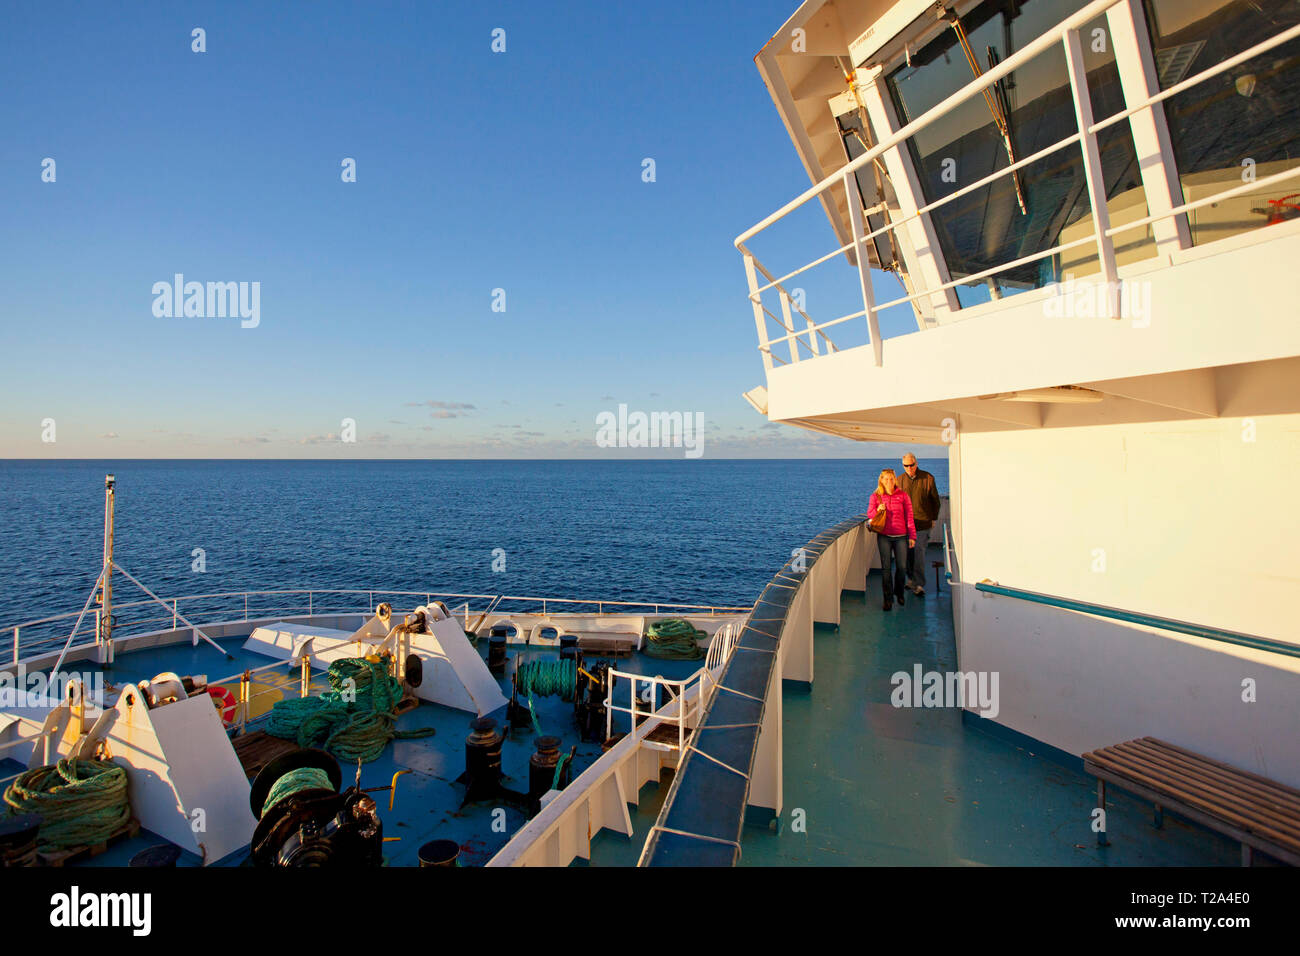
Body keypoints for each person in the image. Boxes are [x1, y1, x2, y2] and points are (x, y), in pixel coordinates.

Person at [867, 468, 915, 611]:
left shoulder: (903, 496)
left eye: (891, 478)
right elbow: (870, 513)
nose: (889, 481)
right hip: (884, 537)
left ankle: (899, 593)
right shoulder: (875, 496)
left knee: (901, 567)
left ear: (895, 480)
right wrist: (878, 510)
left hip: (901, 536)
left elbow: (909, 516)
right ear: (881, 480)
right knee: (886, 569)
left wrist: (912, 536)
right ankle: (888, 599)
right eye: (886, 479)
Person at [900, 453, 941, 597]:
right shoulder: (899, 481)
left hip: (923, 524)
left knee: (918, 554)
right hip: (904, 525)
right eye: (906, 465)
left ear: (916, 463)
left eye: (912, 465)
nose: (909, 468)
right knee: (906, 555)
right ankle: (911, 579)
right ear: (903, 465)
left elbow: (935, 500)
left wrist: (933, 518)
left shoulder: (928, 478)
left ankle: (919, 584)